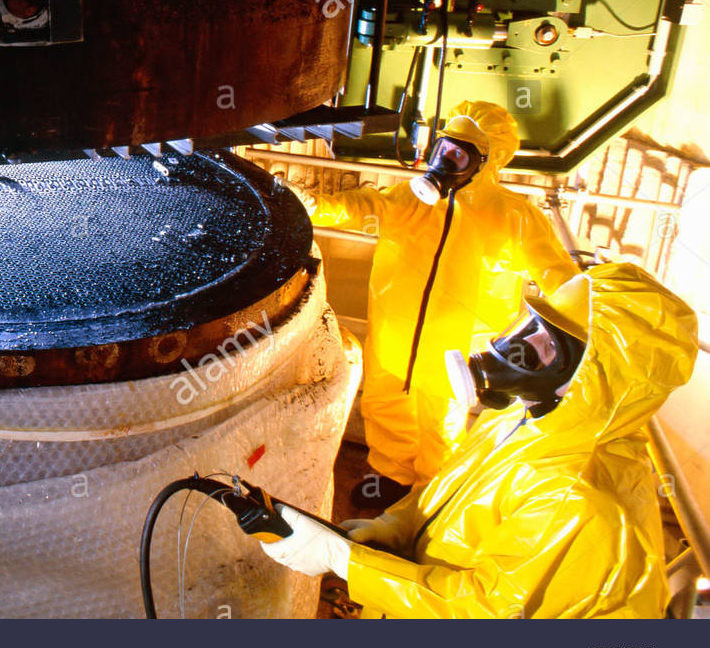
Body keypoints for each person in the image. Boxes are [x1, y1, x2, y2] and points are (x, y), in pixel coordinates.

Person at [256, 262, 698, 618]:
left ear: (592, 378)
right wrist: (387, 530)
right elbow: (441, 496)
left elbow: (485, 610)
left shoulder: (579, 498)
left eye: (544, 343)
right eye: (528, 324)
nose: (511, 344)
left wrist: (347, 561)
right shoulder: (521, 418)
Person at [309, 101, 576, 500]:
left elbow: (558, 275)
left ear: (484, 162)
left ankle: (429, 495)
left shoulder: (512, 217)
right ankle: (391, 477)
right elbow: (361, 207)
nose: (445, 160)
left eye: (459, 154)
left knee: (443, 419)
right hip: (395, 329)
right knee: (386, 401)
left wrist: (582, 320)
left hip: (458, 342)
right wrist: (308, 205)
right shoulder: (411, 200)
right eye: (443, 149)